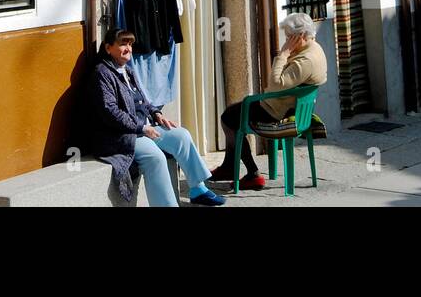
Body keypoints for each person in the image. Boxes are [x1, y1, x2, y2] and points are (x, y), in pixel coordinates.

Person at [85, 27, 225, 207]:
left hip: (144, 128)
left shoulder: (127, 70)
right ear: (108, 48)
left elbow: (144, 100)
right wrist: (142, 128)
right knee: (155, 156)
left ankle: (198, 190)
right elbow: (110, 112)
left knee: (181, 136)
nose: (128, 48)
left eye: (130, 44)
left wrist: (156, 113)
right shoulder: (101, 74)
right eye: (122, 44)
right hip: (121, 135)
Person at [210, 12, 327, 189]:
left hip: (276, 112)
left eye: (289, 37)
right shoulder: (315, 48)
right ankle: (228, 167)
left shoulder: (306, 60)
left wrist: (283, 54)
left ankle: (252, 174)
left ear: (301, 36)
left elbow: (275, 83)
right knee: (233, 112)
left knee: (229, 118)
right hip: (287, 106)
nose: (286, 41)